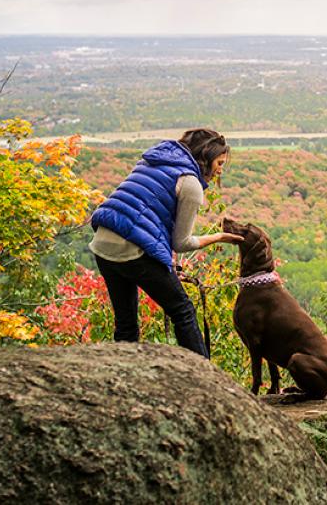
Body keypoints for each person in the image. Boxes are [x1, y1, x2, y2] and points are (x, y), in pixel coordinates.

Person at [88, 128, 243, 357]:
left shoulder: (152, 161)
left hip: (102, 243)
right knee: (182, 310)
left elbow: (148, 218)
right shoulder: (190, 184)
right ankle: (204, 376)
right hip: (132, 247)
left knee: (126, 324)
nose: (220, 170)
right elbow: (181, 242)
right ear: (205, 157)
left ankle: (122, 376)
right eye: (219, 163)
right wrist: (218, 237)